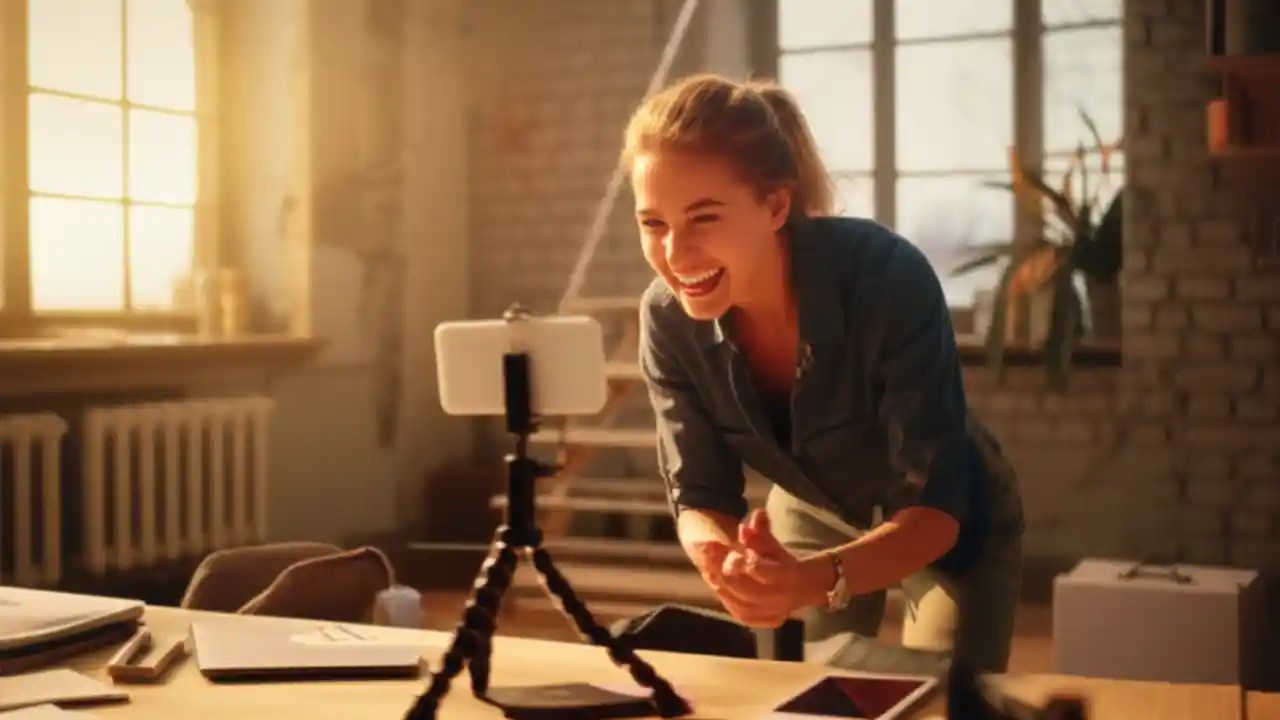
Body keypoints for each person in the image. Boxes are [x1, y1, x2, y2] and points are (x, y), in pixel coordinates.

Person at [622, 73, 1026, 673]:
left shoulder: (886, 275)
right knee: (801, 689)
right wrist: (724, 563)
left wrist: (816, 579)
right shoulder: (667, 319)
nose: (675, 255)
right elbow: (700, 494)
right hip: (809, 506)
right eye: (652, 224)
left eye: (704, 218)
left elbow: (934, 503)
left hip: (946, 519)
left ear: (776, 205)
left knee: (944, 696)